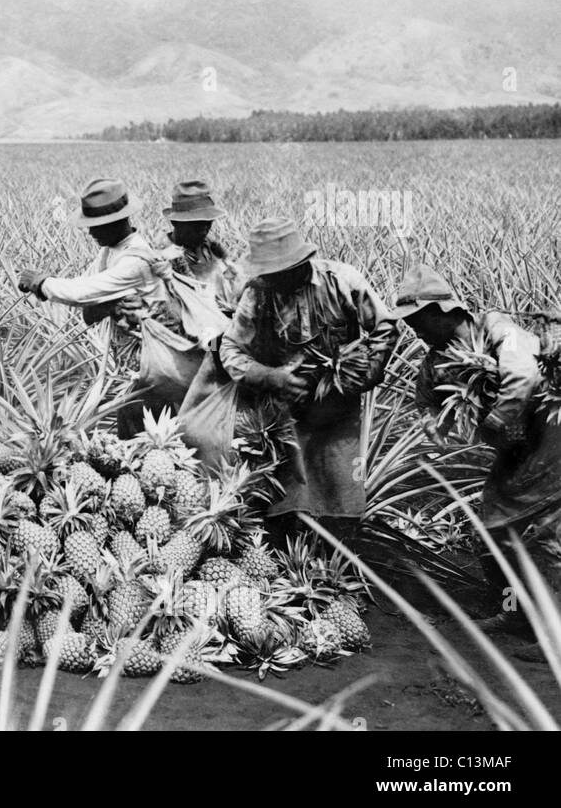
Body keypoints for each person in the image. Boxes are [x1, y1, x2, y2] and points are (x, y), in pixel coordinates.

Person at [393, 265, 561, 661]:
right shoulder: (437, 359)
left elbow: (522, 376)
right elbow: (425, 403)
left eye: (420, 319)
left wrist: (496, 422)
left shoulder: (497, 329)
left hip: (550, 443)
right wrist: (433, 425)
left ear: (445, 311)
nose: (415, 329)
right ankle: (514, 614)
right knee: (496, 530)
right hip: (517, 452)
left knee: (546, 537)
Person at [219, 217, 397, 533]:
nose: (274, 278)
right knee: (282, 502)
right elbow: (230, 350)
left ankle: (339, 565)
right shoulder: (258, 294)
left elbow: (384, 325)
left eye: (281, 271)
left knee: (341, 494)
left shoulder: (341, 281)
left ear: (301, 262)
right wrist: (269, 377)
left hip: (337, 409)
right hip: (283, 410)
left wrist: (366, 373)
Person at [17, 178, 196, 437]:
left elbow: (82, 293)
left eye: (95, 226)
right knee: (138, 426)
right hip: (135, 363)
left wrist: (41, 283)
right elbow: (86, 289)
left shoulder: (134, 259)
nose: (90, 233)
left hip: (153, 363)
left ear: (115, 223)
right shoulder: (111, 250)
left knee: (145, 429)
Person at [159, 181, 245, 314]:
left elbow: (233, 278)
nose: (204, 231)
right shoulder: (163, 257)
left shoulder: (211, 246)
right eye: (197, 226)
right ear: (175, 222)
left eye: (208, 224)